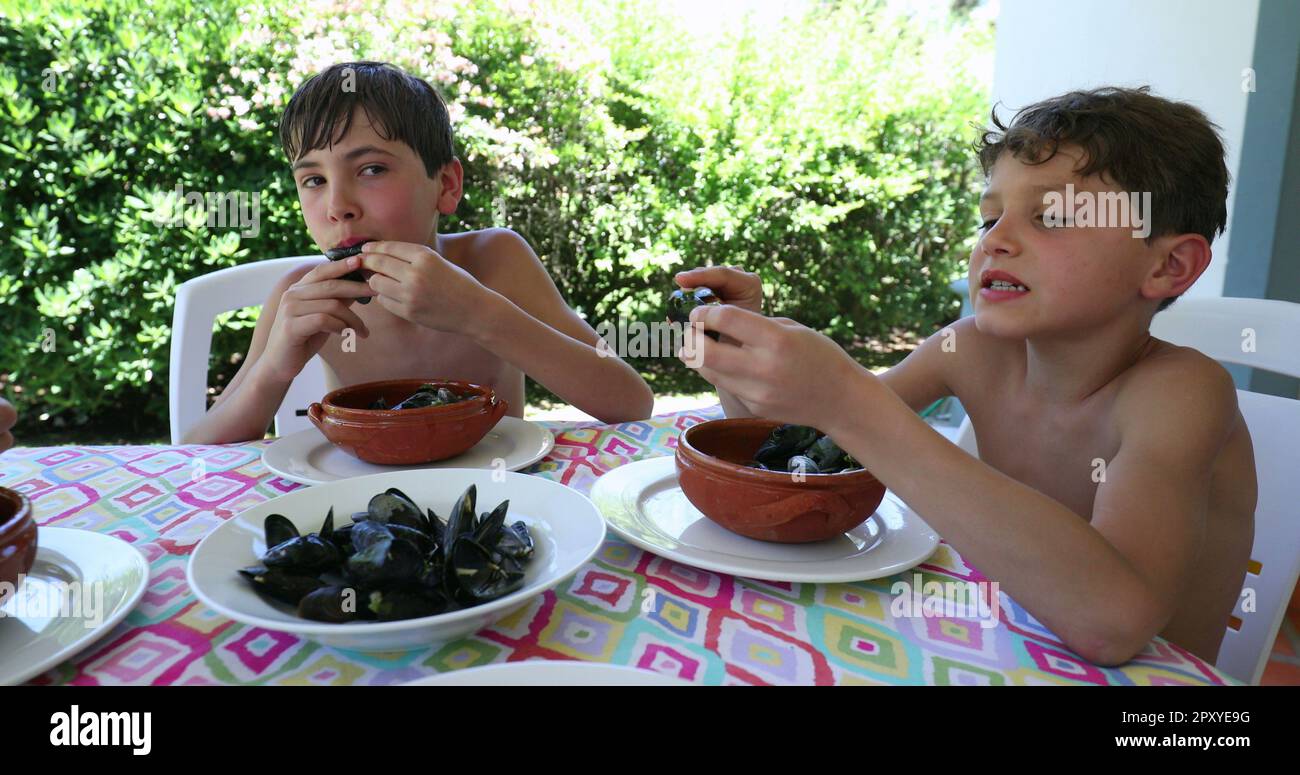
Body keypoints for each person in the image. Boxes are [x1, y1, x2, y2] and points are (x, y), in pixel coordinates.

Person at [677, 86, 1256, 666]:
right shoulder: (971, 349)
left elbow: (1114, 623)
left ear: (1168, 265)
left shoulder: (1182, 393)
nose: (996, 241)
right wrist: (739, 352)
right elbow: (799, 456)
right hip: (1003, 649)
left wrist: (849, 402)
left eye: (1051, 217)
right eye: (988, 219)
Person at [184, 62, 653, 444]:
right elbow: (198, 450)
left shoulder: (496, 262)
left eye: (371, 169)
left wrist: (480, 315)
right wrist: (274, 368)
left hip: (500, 495)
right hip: (364, 504)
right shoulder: (300, 298)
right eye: (314, 180)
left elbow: (630, 403)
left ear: (445, 186)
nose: (338, 206)